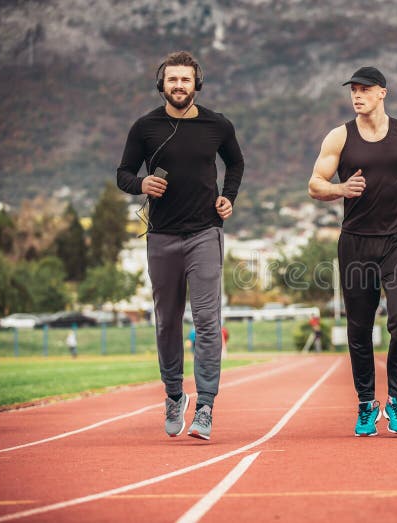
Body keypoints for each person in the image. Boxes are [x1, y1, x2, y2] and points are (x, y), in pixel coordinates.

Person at [116, 50, 244, 441]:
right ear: (162, 84)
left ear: (196, 84)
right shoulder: (144, 128)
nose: (178, 86)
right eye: (172, 79)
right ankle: (174, 395)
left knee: (207, 323)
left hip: (205, 232)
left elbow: (235, 164)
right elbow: (123, 174)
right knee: (167, 321)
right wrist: (141, 184)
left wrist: (229, 197)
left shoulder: (217, 125)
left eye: (185, 80)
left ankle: (205, 405)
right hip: (161, 236)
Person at [308, 66, 397, 437]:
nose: (357, 95)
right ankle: (367, 403)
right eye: (353, 91)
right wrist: (341, 189)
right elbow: (315, 184)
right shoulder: (339, 137)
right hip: (356, 241)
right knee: (359, 328)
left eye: (365, 89)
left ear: (383, 93)